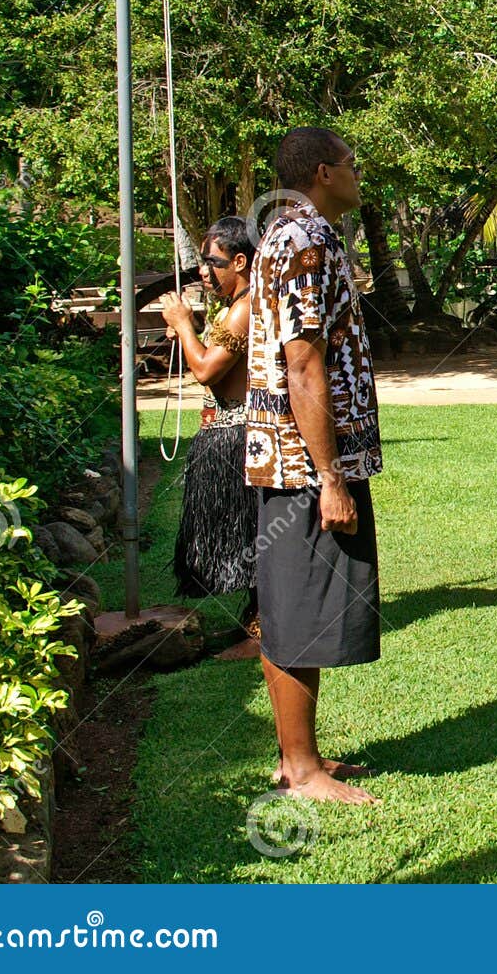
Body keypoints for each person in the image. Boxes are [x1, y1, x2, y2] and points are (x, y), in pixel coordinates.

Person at [246, 127, 383, 804]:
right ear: (324, 172)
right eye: (353, 165)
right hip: (304, 463)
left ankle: (306, 757)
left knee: (301, 603)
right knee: (297, 605)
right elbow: (303, 364)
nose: (361, 176)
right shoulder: (304, 242)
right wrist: (330, 476)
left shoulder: (292, 235)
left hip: (301, 457)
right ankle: (300, 771)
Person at [161, 217, 259, 658]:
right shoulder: (234, 303)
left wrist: (184, 324)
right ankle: (254, 624)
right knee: (244, 537)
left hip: (237, 437)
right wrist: (190, 328)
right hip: (227, 434)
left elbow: (205, 370)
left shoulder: (244, 307)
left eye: (211, 262)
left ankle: (262, 632)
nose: (203, 271)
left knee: (251, 538)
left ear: (239, 261)